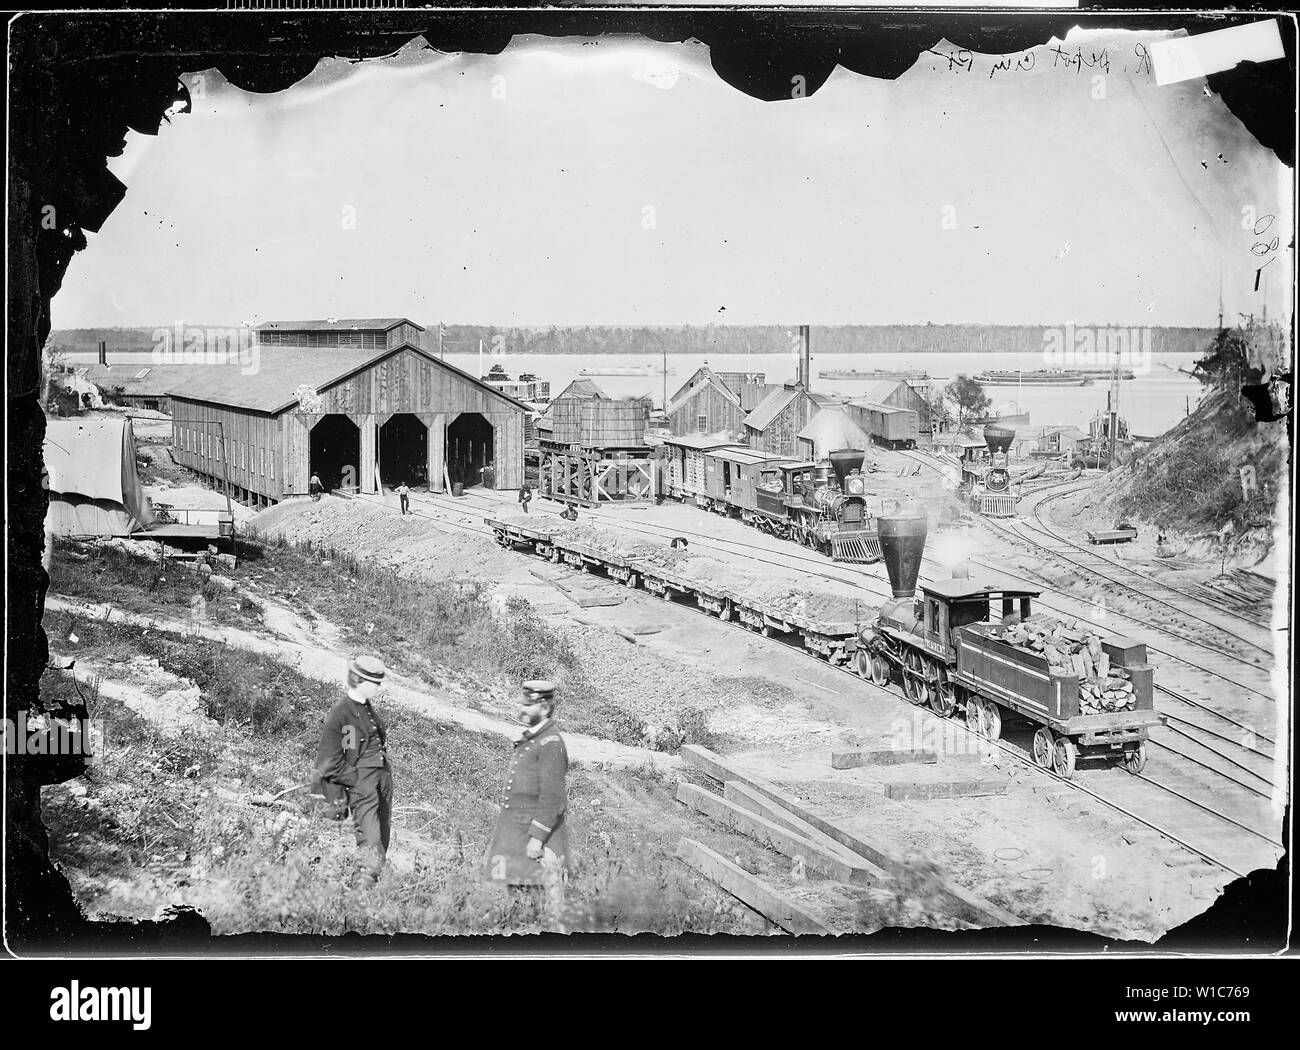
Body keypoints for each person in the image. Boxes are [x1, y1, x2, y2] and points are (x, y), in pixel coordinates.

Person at [313, 655, 394, 885]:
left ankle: (366, 885)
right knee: (370, 840)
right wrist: (355, 781)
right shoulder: (342, 712)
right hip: (363, 784)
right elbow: (328, 761)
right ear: (361, 681)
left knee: (382, 838)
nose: (379, 688)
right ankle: (360, 893)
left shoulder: (365, 708)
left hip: (381, 780)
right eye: (375, 683)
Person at [485, 680, 570, 896]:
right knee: (513, 893)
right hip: (517, 830)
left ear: (544, 708)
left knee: (536, 898)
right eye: (522, 704)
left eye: (528, 706)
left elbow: (553, 797)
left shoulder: (550, 742)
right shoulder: (534, 738)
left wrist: (538, 838)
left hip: (531, 836)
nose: (522, 709)